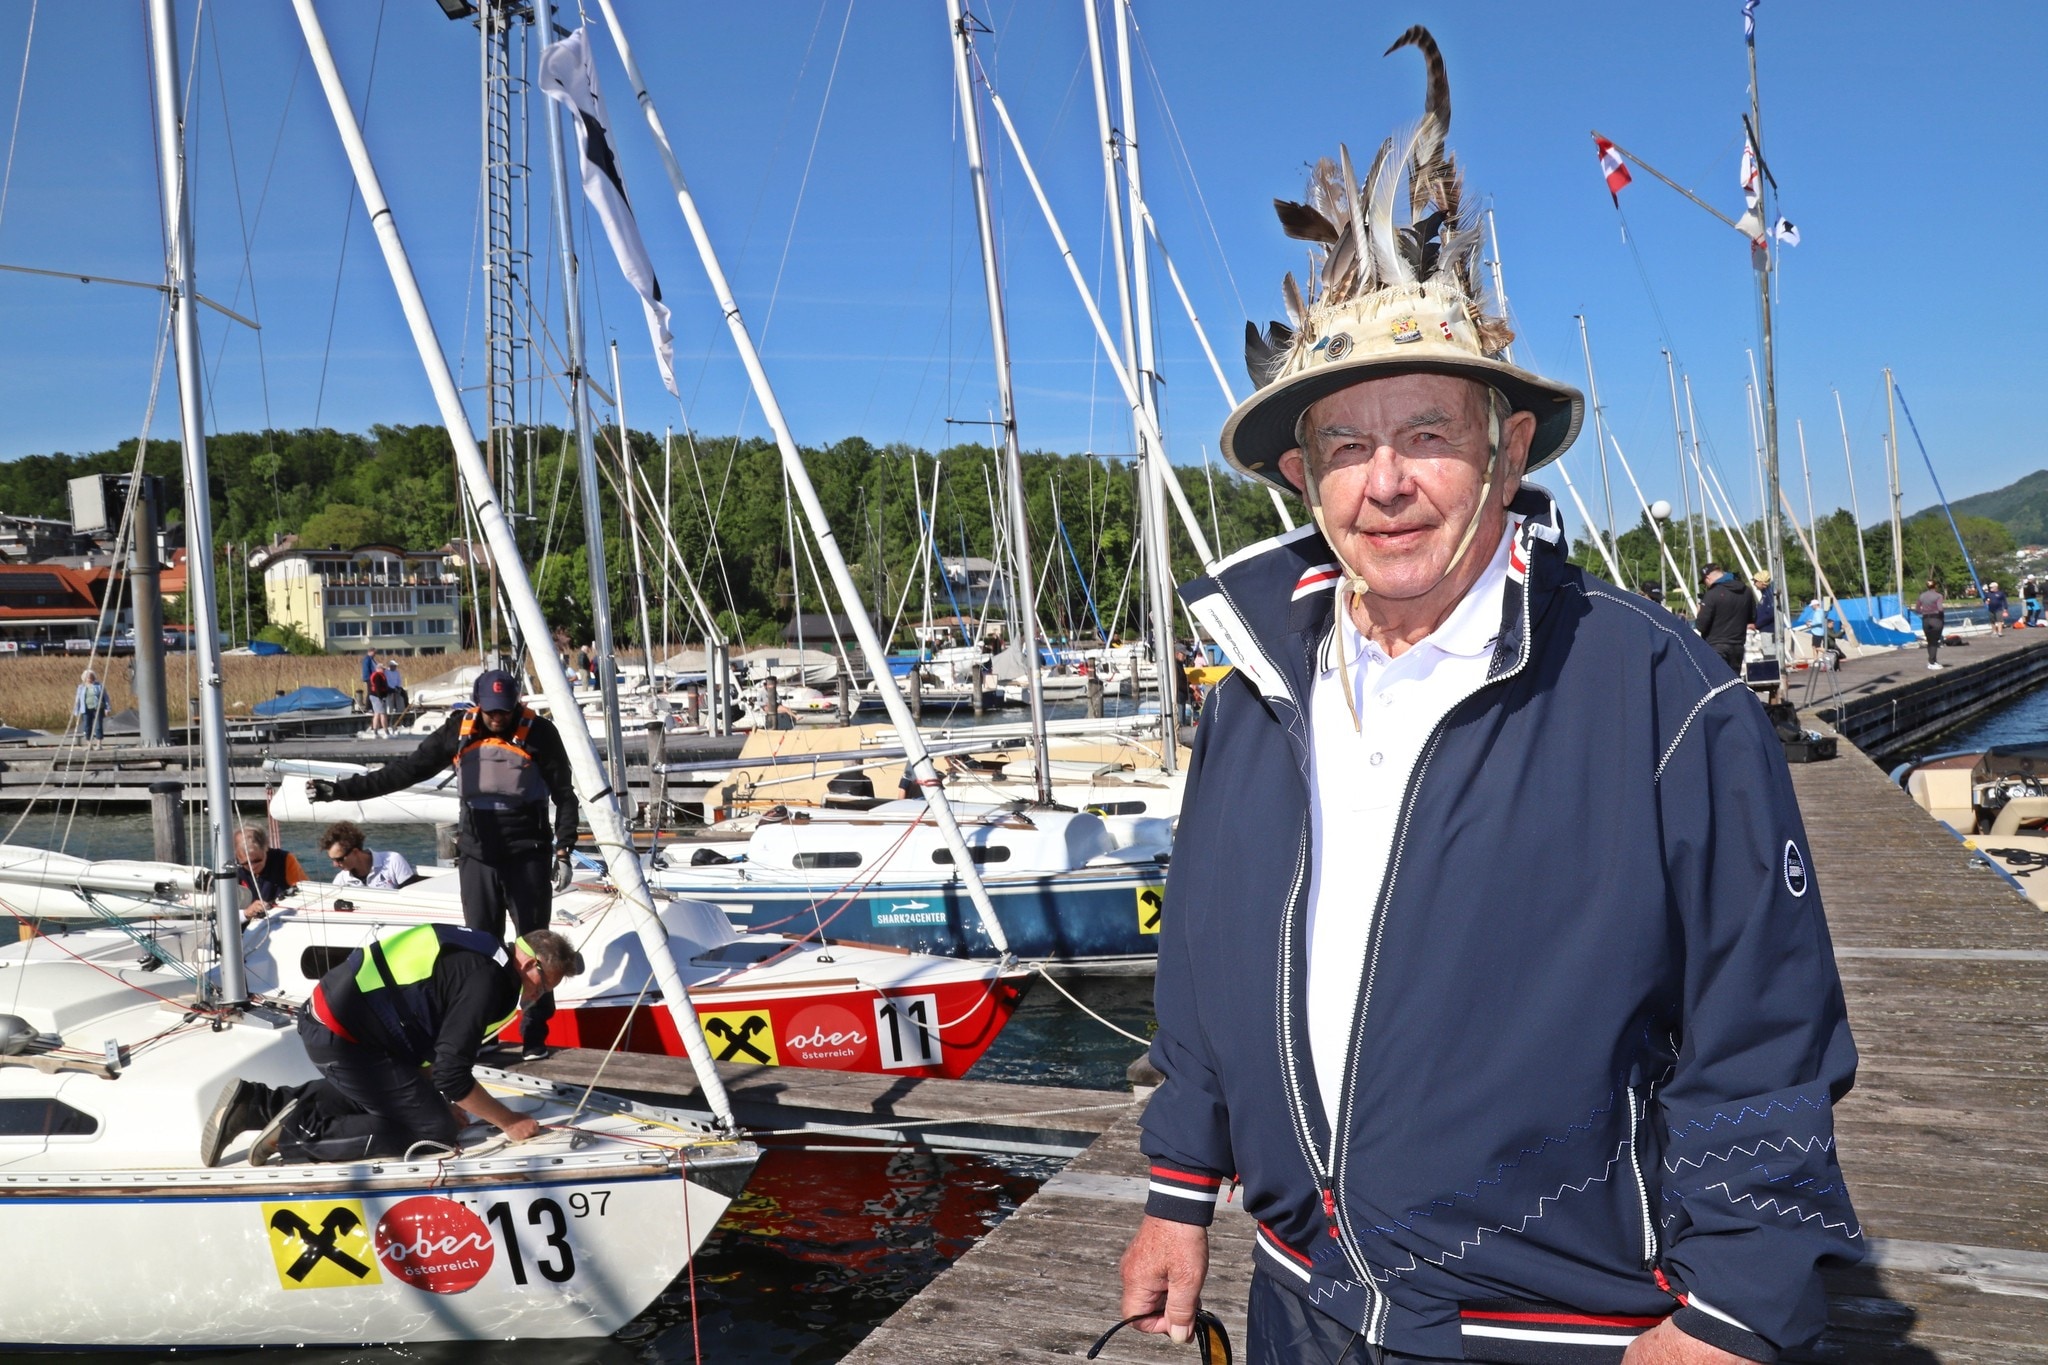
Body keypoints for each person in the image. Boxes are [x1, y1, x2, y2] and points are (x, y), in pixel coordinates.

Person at [1119, 31, 1859, 1365]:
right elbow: (1204, 966)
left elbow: (1764, 1030)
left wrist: (1732, 1312)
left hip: (1551, 1334)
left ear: (1508, 450)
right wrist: (1179, 1191)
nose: (1384, 483)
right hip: (1298, 1311)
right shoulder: (1252, 691)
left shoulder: (1656, 694)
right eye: (1345, 444)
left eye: (1427, 435)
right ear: (1301, 477)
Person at [308, 669, 579, 1059]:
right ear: (478, 704)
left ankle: (535, 1035)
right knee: (481, 951)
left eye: (504, 710)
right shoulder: (459, 729)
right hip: (478, 858)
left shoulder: (540, 733)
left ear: (516, 704)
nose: (498, 717)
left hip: (527, 859)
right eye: (491, 710)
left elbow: (565, 796)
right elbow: (404, 772)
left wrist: (564, 849)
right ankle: (484, 1035)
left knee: (536, 946)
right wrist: (339, 791)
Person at [198, 925, 585, 1166]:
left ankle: (256, 1105)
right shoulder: (492, 984)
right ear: (531, 965)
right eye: (544, 986)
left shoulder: (480, 951)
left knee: (414, 1102)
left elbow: (429, 1044)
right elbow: (452, 1075)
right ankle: (299, 1134)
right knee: (434, 1131)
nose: (538, 996)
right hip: (344, 1038)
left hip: (336, 1023)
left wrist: (437, 1097)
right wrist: (509, 1122)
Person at [233, 824, 307, 921]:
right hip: (245, 924)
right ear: (236, 856)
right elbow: (222, 913)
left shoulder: (284, 860)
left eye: (257, 860)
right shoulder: (229, 869)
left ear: (266, 847)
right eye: (246, 863)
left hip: (280, 919)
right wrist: (246, 913)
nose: (252, 866)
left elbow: (304, 893)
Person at [1693, 563, 1755, 676]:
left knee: (1717, 681)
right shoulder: (1746, 591)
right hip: (1738, 645)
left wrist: (1700, 612)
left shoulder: (1712, 594)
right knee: (1733, 680)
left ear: (1708, 578)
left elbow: (1701, 626)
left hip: (1716, 645)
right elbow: (1752, 618)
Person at [322, 818, 419, 890]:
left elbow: (412, 897)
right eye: (332, 860)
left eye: (339, 859)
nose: (335, 865)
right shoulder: (341, 880)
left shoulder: (394, 861)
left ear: (355, 852)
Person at [73, 668, 108, 748]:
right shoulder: (81, 687)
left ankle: (99, 744)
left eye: (91, 677)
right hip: (86, 709)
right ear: (84, 678)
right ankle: (89, 744)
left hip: (98, 708)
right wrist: (76, 711)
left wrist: (107, 708)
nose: (90, 679)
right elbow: (78, 700)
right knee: (87, 726)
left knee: (98, 726)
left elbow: (105, 697)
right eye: (88, 678)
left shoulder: (99, 686)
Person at [1917, 577, 1946, 670]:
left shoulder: (1921, 596)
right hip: (1935, 619)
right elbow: (1940, 608)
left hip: (1925, 619)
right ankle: (1931, 662)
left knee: (1930, 641)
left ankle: (1933, 660)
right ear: (1935, 586)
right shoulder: (1938, 596)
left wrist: (1925, 611)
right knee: (1934, 641)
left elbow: (1917, 609)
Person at [365, 656, 394, 735]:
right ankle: (386, 731)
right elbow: (378, 688)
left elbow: (384, 687)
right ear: (378, 669)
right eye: (383, 669)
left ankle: (375, 731)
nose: (384, 670)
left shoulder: (380, 675)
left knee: (377, 713)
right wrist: (381, 698)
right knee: (383, 714)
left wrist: (392, 690)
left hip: (375, 696)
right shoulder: (378, 676)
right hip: (377, 696)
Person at [1751, 569, 1776, 635]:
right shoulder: (1766, 593)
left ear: (1761, 582)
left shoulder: (1769, 594)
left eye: (1755, 581)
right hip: (1765, 629)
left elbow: (1771, 612)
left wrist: (1756, 624)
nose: (1754, 584)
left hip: (1768, 630)